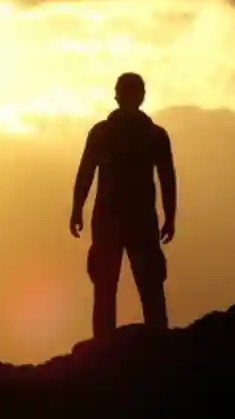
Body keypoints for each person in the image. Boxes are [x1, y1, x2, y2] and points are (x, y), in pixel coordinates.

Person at [70, 72, 177, 336]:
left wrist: (171, 216)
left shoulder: (147, 135)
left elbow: (167, 178)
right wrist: (76, 208)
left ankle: (149, 341)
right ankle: (138, 342)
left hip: (129, 219)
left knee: (142, 284)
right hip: (119, 219)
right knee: (114, 285)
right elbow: (86, 172)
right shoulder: (109, 134)